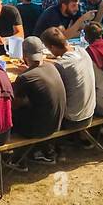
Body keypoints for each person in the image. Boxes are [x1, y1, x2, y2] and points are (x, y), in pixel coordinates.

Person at [10, 36, 65, 164]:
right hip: (58, 122)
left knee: (7, 113)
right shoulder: (52, 67)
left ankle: (17, 158)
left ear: (24, 56)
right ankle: (43, 150)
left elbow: (14, 105)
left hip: (40, 129)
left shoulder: (25, 77)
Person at [39, 26, 96, 127]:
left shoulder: (62, 65)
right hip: (90, 113)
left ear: (52, 47)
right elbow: (64, 63)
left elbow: (45, 78)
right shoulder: (82, 51)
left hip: (72, 119)